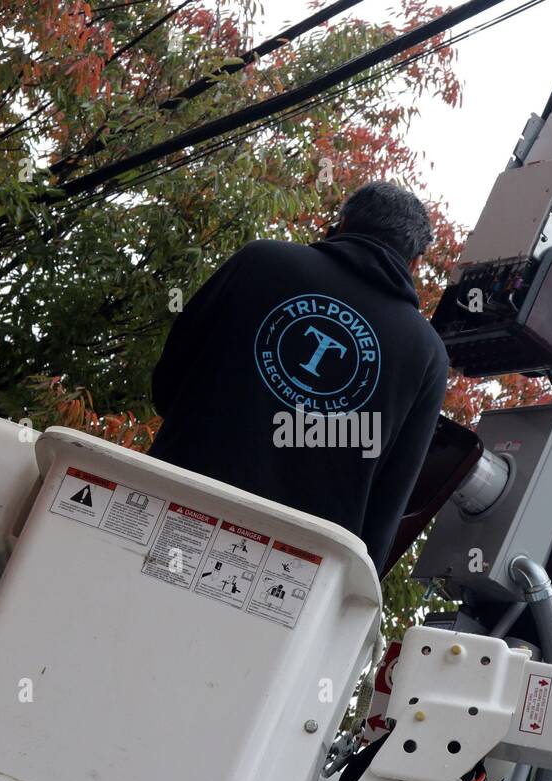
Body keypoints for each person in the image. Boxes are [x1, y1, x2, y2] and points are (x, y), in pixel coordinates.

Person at [148, 182, 449, 573]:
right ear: (415, 263)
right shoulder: (426, 354)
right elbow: (388, 503)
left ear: (339, 225)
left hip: (168, 507)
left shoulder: (259, 262)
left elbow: (168, 382)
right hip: (290, 574)